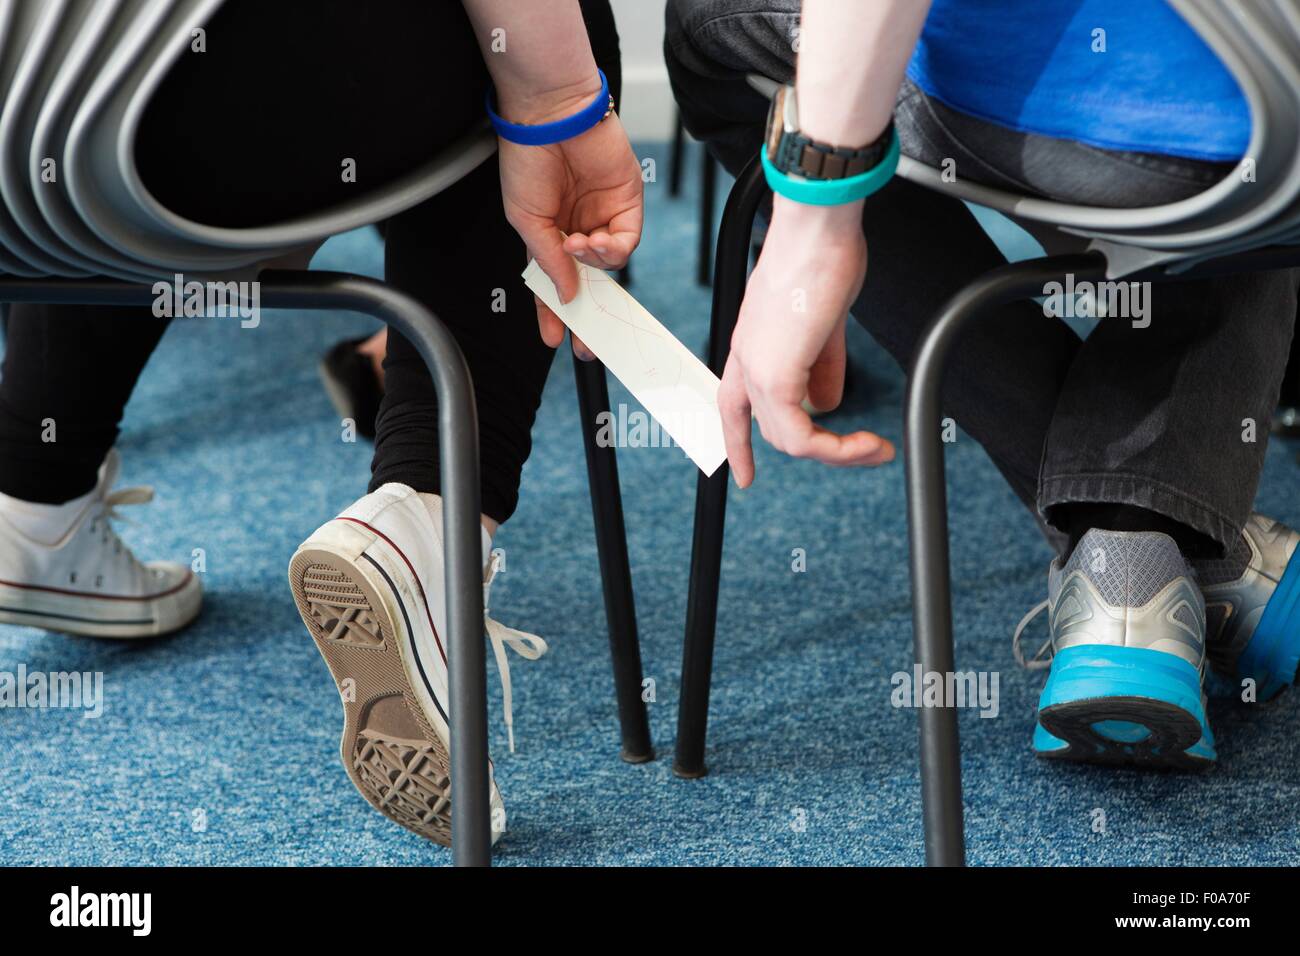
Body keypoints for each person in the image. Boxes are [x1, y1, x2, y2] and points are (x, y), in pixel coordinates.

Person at [0, 0, 641, 847]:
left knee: (62, 109)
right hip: (186, 121)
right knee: (534, 38)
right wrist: (560, 96)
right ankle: (427, 519)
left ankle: (31, 502)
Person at [665, 0, 1300, 768]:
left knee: (704, 28)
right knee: (1248, 103)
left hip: (1083, 105)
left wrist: (815, 215)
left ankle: (1134, 560)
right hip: (1275, 133)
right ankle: (1169, 535)